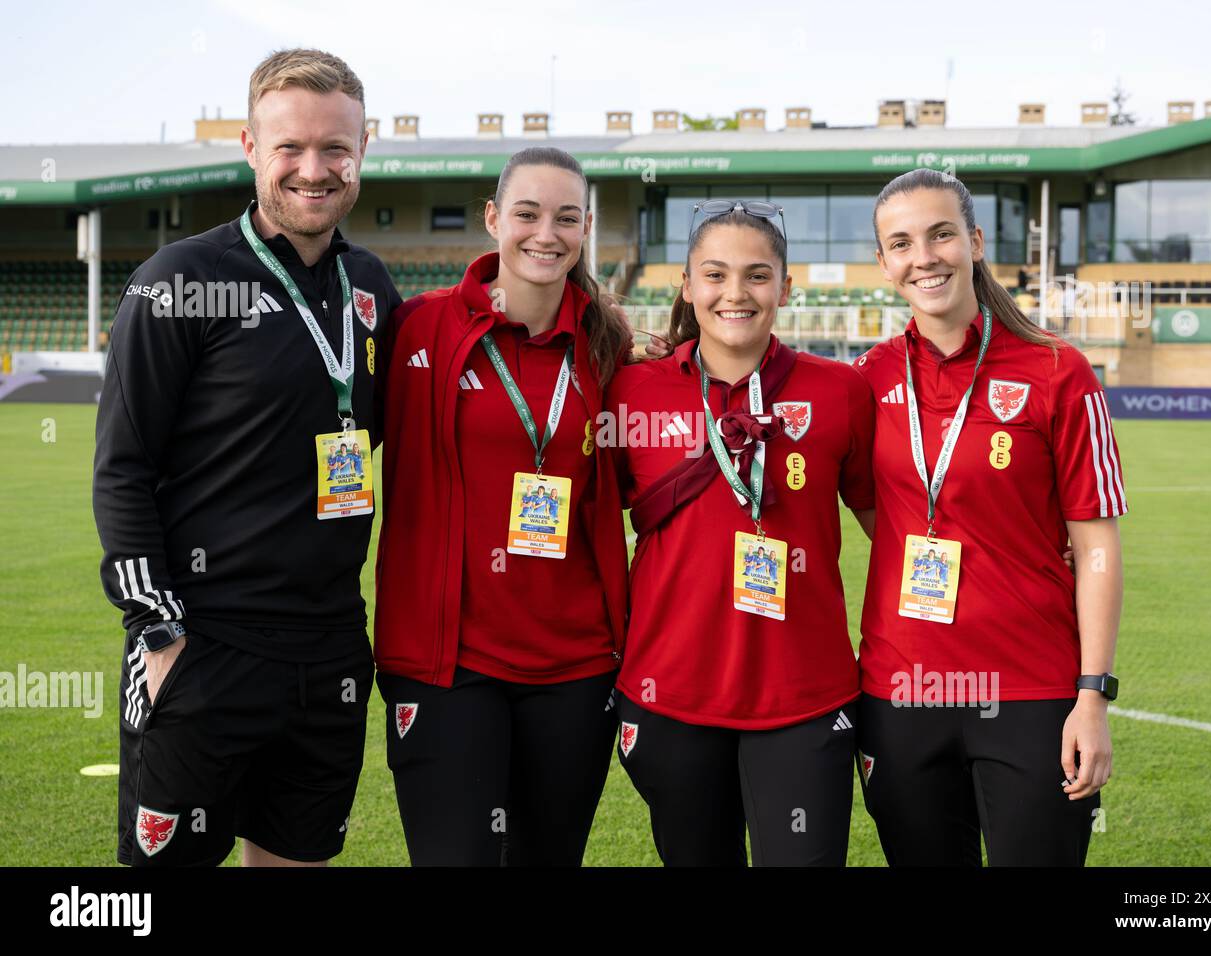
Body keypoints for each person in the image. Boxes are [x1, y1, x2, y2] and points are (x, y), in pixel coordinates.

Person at [93, 49, 400, 867]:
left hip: (332, 645)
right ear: (250, 148)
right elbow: (122, 468)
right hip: (205, 640)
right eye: (290, 147)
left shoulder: (372, 288)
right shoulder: (180, 279)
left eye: (335, 148)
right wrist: (159, 636)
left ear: (362, 150)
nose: (313, 169)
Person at [852, 168, 1124, 866]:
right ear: (884, 262)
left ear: (974, 241)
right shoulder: (864, 380)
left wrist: (1092, 695)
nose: (925, 256)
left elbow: (1097, 549)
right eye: (903, 243)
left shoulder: (1059, 371)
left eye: (941, 234)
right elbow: (868, 506)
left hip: (1031, 693)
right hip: (901, 690)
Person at [374, 146, 632, 866]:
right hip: (445, 666)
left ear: (584, 231)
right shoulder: (419, 328)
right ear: (493, 219)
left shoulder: (610, 349)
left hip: (576, 667)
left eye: (566, 218)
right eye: (526, 213)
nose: (544, 233)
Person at [608, 201, 876, 866]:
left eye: (757, 276)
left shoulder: (840, 391)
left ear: (787, 287)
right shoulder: (630, 391)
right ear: (687, 284)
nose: (736, 294)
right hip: (670, 694)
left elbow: (893, 528)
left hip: (804, 698)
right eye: (716, 275)